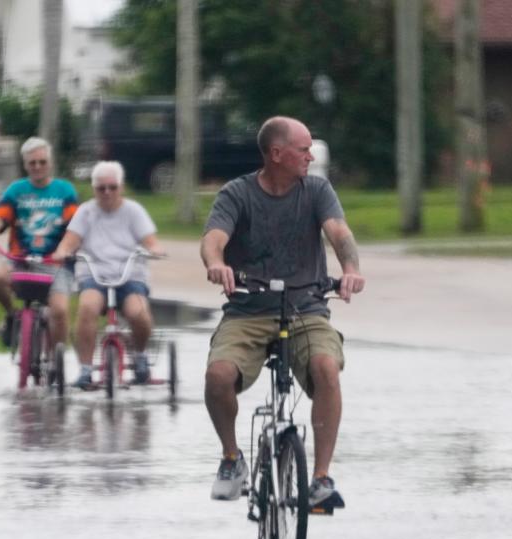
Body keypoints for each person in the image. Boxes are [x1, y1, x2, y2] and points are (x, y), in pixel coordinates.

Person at [201, 116, 366, 506]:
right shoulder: (236, 194)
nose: (311, 156)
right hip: (248, 310)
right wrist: (216, 263)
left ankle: (321, 479)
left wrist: (351, 270)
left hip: (306, 307)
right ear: (277, 154)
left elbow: (339, 233)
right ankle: (231, 458)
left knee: (326, 367)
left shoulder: (317, 190)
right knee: (218, 375)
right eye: (304, 149)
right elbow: (214, 239)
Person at [51, 161, 165, 387]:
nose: (107, 192)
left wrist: (155, 249)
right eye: (101, 188)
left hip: (129, 276)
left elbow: (151, 241)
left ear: (120, 187)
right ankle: (85, 368)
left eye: (112, 187)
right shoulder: (86, 212)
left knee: (139, 313)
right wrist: (62, 251)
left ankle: (140, 356)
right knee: (87, 307)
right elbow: (70, 241)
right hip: (95, 275)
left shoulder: (133, 211)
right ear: (94, 189)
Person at [0, 137, 78, 349]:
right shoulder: (16, 190)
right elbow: (0, 215)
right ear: (25, 165)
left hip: (54, 262)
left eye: (42, 162)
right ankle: (13, 317)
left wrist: (65, 249)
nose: (37, 167)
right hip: (21, 260)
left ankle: (56, 359)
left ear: (50, 163)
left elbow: (75, 225)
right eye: (32, 163)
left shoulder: (65, 190)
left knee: (59, 310)